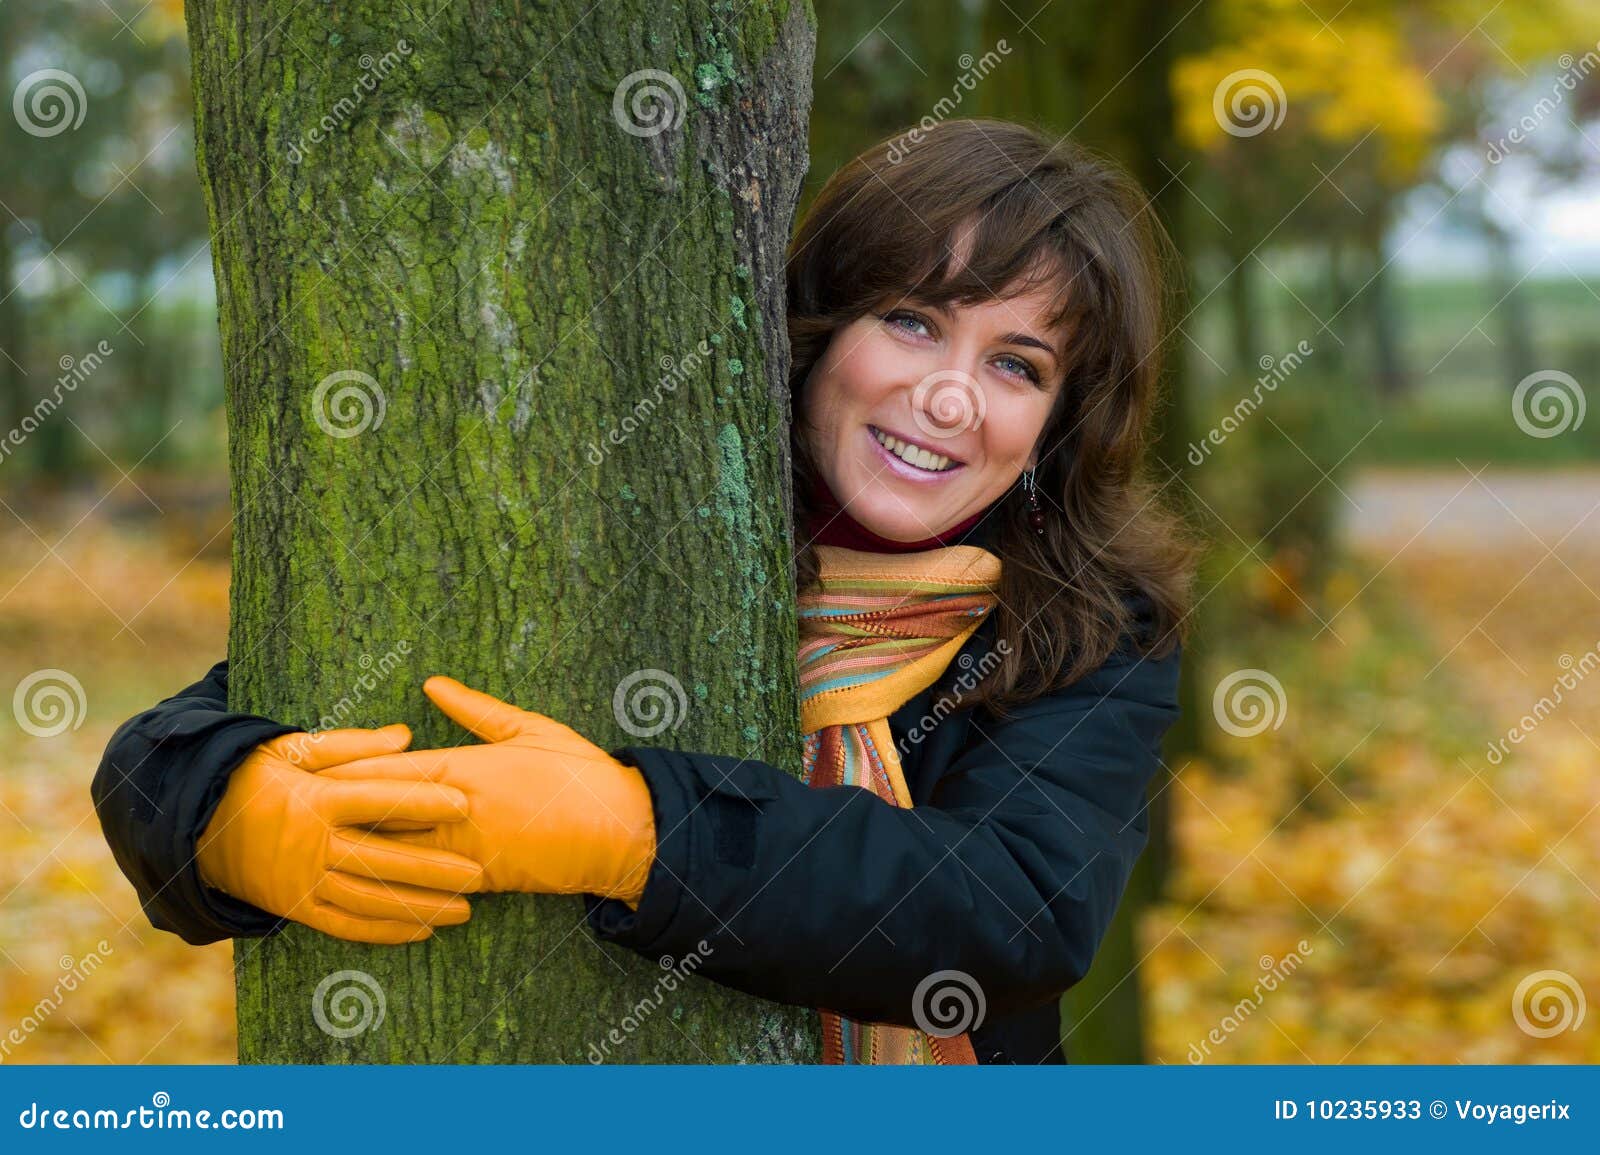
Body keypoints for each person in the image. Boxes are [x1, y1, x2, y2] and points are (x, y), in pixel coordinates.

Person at [92, 117, 1199, 1065]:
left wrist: (638, 833)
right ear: (818, 329)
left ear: (1059, 424)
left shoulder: (1095, 628)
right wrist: (220, 815)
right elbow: (173, 742)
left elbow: (1011, 908)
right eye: (911, 320)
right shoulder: (646, 517)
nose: (951, 399)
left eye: (1016, 365)